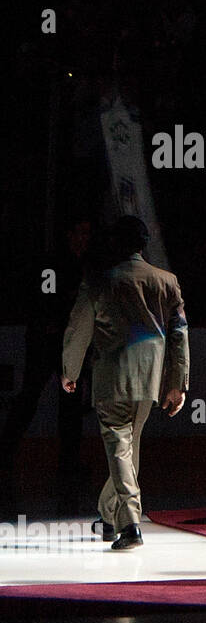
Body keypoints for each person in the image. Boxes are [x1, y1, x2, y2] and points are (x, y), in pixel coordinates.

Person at [60, 216, 189, 550]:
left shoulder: (100, 281)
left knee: (119, 445)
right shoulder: (167, 281)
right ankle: (108, 516)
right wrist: (178, 383)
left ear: (115, 243)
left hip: (112, 378)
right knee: (128, 446)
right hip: (149, 380)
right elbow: (179, 335)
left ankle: (131, 524)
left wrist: (69, 371)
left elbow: (78, 329)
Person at [1, 216, 92, 516]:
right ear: (68, 234)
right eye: (79, 231)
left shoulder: (81, 264)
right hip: (47, 340)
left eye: (86, 233)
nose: (84, 238)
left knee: (70, 402)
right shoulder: (54, 263)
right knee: (30, 397)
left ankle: (68, 462)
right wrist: (56, 319)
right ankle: (5, 452)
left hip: (66, 341)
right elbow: (44, 297)